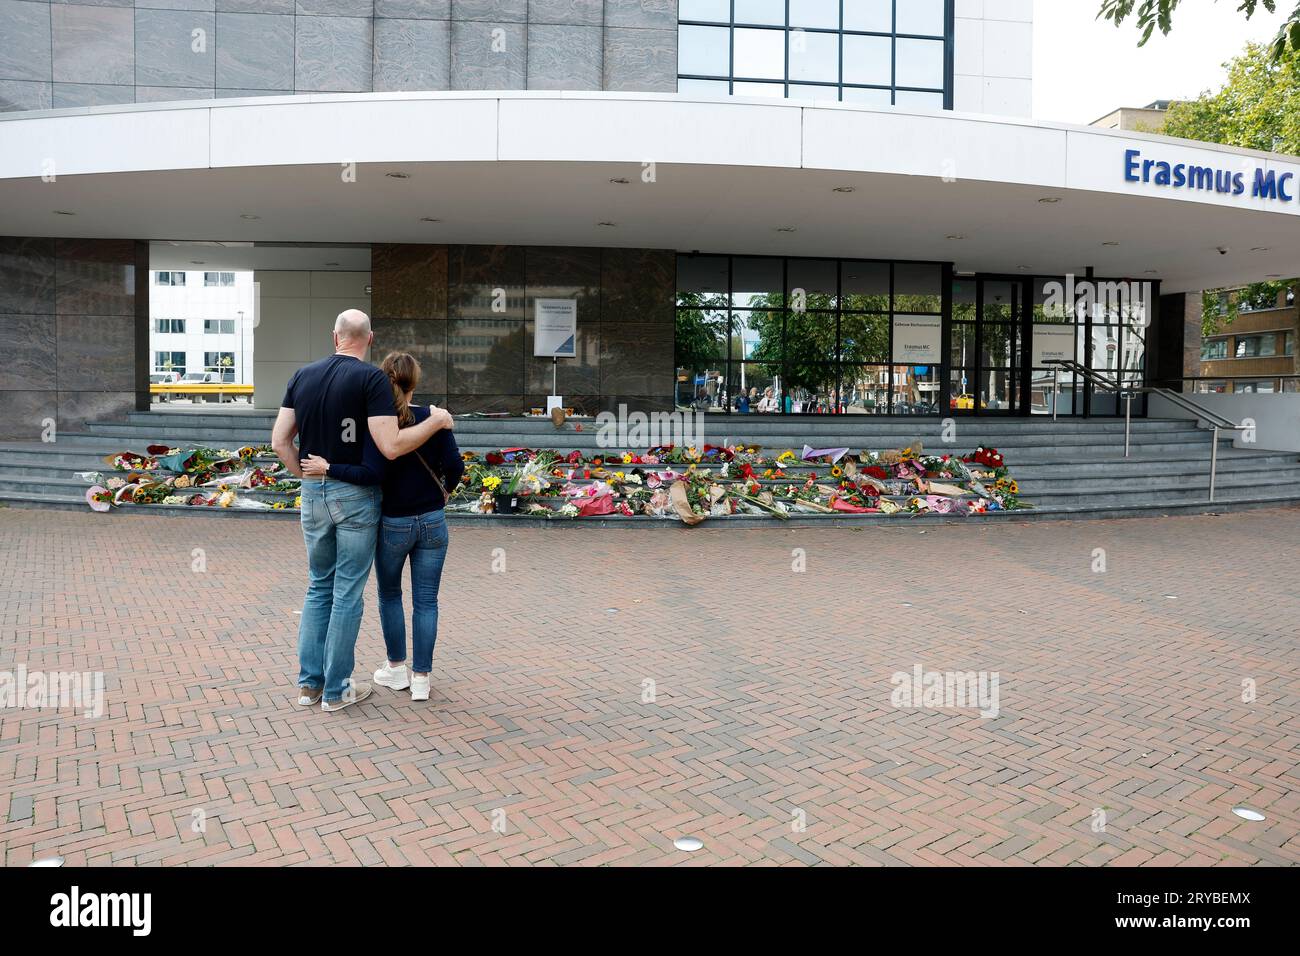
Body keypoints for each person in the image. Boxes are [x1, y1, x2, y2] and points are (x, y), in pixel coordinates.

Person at [271, 310, 452, 714]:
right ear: (369, 339)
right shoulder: (370, 378)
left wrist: (306, 475)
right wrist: (436, 421)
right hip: (354, 496)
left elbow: (280, 440)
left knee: (318, 586)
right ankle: (336, 690)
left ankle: (309, 687)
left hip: (313, 493)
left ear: (334, 336)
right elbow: (390, 447)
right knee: (347, 592)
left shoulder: (302, 376)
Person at [301, 352, 465, 704]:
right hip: (433, 521)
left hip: (392, 523)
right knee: (427, 601)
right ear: (414, 383)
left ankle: (395, 668)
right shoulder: (432, 419)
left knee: (390, 594)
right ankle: (421, 679)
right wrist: (445, 492)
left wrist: (330, 468)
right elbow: (455, 465)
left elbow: (370, 473)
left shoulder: (376, 424)